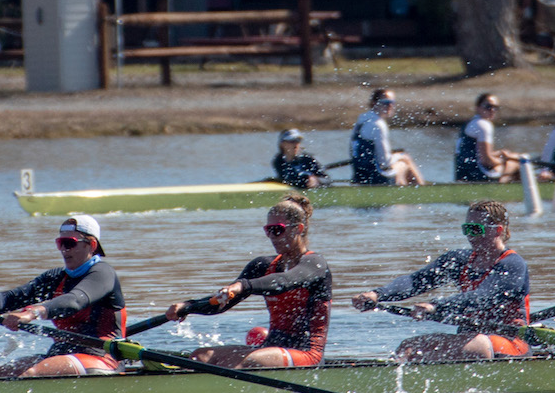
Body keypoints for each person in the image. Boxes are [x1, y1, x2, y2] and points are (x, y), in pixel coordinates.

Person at [0, 214, 125, 377]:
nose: (64, 249)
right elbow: (11, 298)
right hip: (59, 355)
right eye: (60, 243)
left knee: (28, 373)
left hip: (100, 358)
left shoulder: (103, 273)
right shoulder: (55, 278)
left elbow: (74, 300)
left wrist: (32, 313)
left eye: (70, 243)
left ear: (91, 245)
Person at [164, 193, 332, 368]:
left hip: (307, 355)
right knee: (200, 356)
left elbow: (284, 281)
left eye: (277, 230)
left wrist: (243, 285)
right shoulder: (262, 266)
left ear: (298, 228)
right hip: (270, 348)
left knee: (240, 361)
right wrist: (188, 306)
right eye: (268, 231)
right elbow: (221, 304)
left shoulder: (315, 264)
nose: (272, 237)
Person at [351, 201, 531, 361]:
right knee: (407, 348)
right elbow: (416, 281)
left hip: (510, 344)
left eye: (476, 229)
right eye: (467, 229)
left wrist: (436, 306)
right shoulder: (460, 260)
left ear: (498, 230)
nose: (470, 236)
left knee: (420, 349)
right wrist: (377, 294)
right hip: (471, 340)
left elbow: (483, 296)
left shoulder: (512, 264)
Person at [349, 88, 423, 186]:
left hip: (359, 175)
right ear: (374, 103)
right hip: (377, 177)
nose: (390, 106)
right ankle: (421, 189)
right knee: (405, 162)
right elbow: (385, 162)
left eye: (393, 102)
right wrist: (401, 156)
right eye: (386, 102)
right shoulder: (378, 124)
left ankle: (407, 189)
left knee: (399, 163)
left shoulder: (362, 119)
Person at [454, 93, 522, 183]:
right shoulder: (484, 125)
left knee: (511, 157)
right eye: (488, 106)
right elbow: (486, 161)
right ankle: (502, 188)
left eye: (496, 107)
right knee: (517, 161)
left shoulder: (470, 123)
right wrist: (503, 161)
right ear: (477, 108)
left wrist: (499, 154)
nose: (492, 110)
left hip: (462, 175)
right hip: (476, 175)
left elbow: (476, 154)